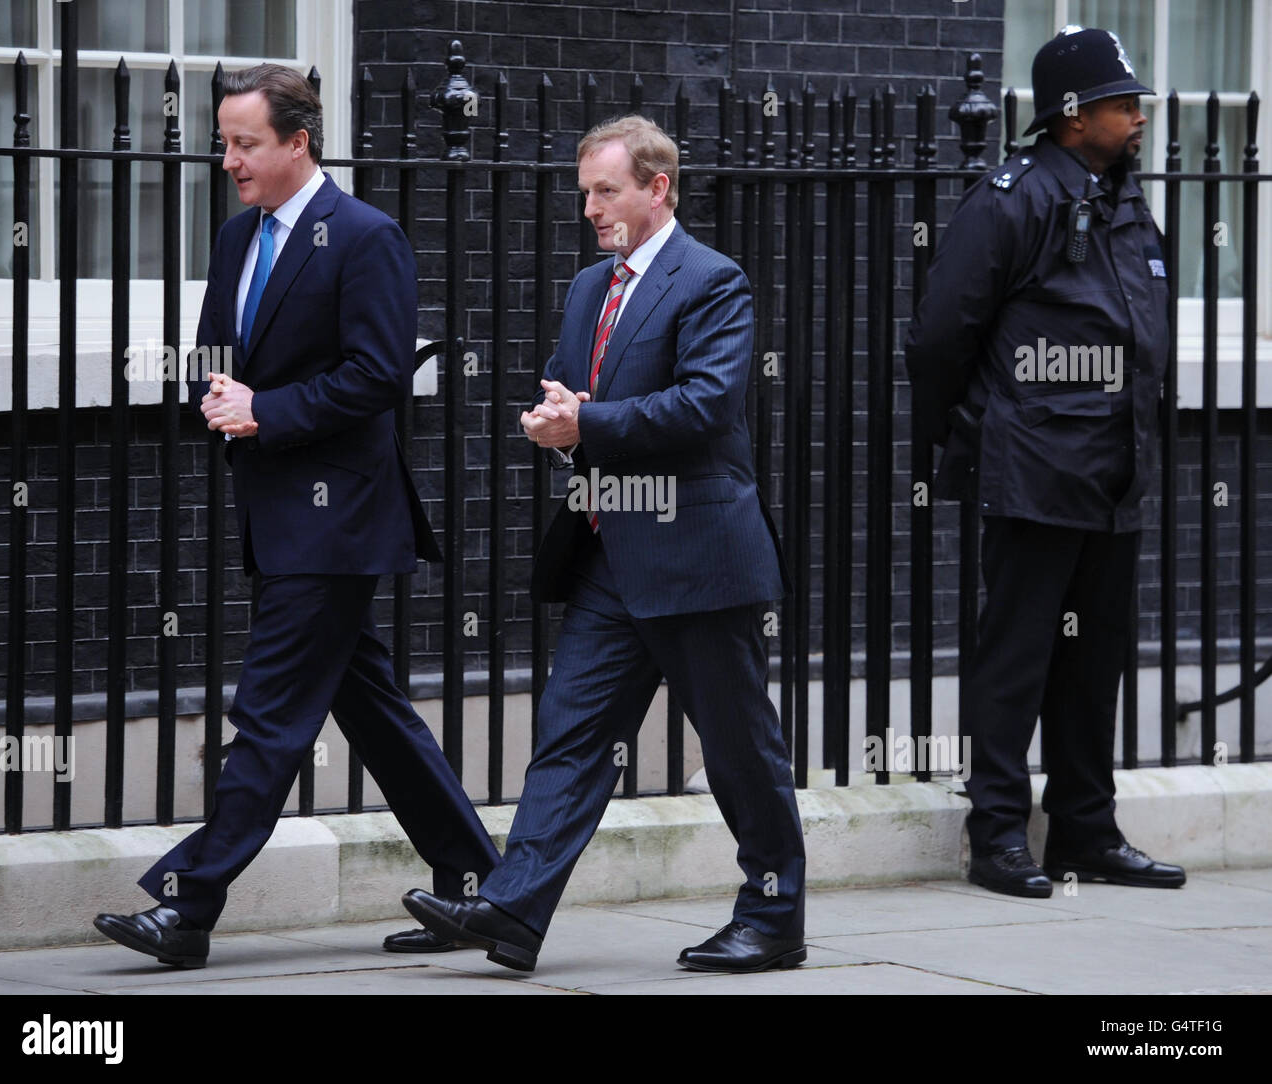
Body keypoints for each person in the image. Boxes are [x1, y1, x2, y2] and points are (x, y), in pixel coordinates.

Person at [94, 64, 498, 968]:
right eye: (224, 141)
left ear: (297, 142)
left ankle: (187, 906)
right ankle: (484, 887)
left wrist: (265, 409)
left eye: (246, 143)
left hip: (338, 520)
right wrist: (220, 391)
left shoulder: (363, 236)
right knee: (377, 711)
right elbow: (219, 350)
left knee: (270, 713)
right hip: (276, 511)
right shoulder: (239, 239)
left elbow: (378, 375)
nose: (228, 158)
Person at [394, 115, 807, 973]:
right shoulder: (591, 288)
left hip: (698, 553)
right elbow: (577, 393)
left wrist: (588, 421)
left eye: (606, 189)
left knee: (737, 748)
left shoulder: (712, 281)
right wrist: (560, 423)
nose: (590, 207)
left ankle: (773, 916)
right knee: (570, 732)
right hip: (609, 553)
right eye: (585, 191)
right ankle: (511, 909)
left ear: (658, 188)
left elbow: (706, 404)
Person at [906, 27, 1185, 898]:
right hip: (1032, 471)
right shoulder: (1011, 199)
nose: (1136, 116)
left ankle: (1085, 832)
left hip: (1115, 474)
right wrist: (985, 426)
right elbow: (940, 336)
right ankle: (997, 836)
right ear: (1070, 117)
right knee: (1017, 657)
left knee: (1094, 659)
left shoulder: (1128, 202)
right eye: (1118, 103)